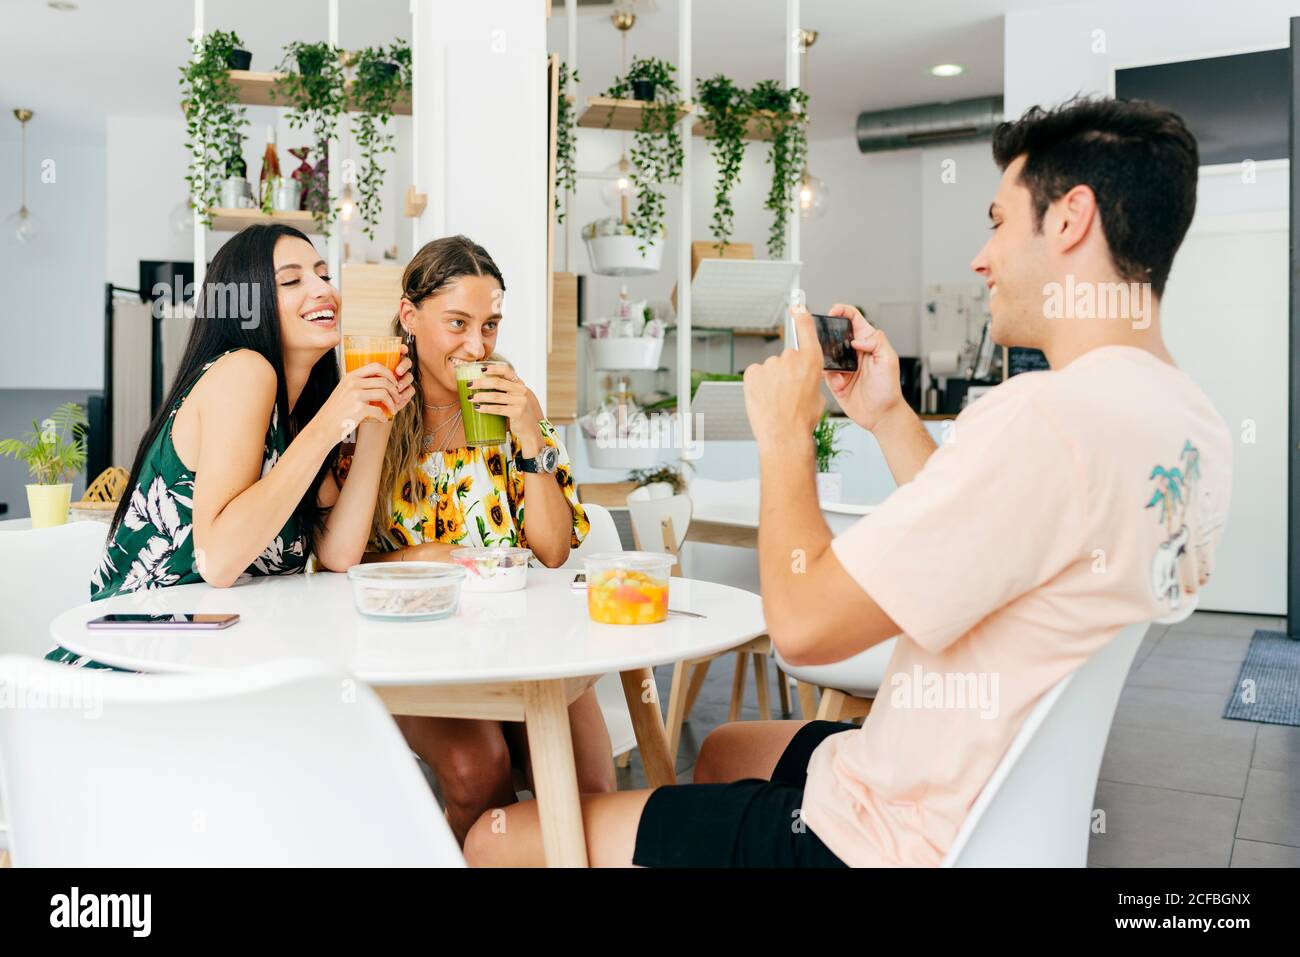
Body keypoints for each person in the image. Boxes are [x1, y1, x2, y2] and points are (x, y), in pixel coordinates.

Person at [461, 96, 1233, 867]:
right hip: (978, 794)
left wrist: (784, 436)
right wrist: (890, 414)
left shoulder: (1042, 417)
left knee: (497, 841)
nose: (981, 256)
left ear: (1070, 219)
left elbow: (799, 626)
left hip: (883, 839)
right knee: (727, 749)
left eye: (998, 220)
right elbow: (990, 543)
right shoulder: (1187, 423)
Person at [332, 235, 612, 843]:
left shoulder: (511, 405)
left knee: (592, 790)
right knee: (475, 766)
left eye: (490, 326)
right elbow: (338, 559)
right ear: (409, 317)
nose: (477, 346)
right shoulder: (369, 408)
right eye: (457, 323)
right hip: (409, 646)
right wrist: (416, 558)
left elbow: (554, 551)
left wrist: (531, 437)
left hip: (518, 638)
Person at [47, 224, 414, 666]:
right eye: (292, 280)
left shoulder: (302, 413)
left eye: (323, 275)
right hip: (137, 663)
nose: (323, 289)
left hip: (221, 656)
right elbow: (218, 560)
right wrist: (331, 424)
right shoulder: (244, 372)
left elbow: (337, 552)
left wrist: (376, 420)